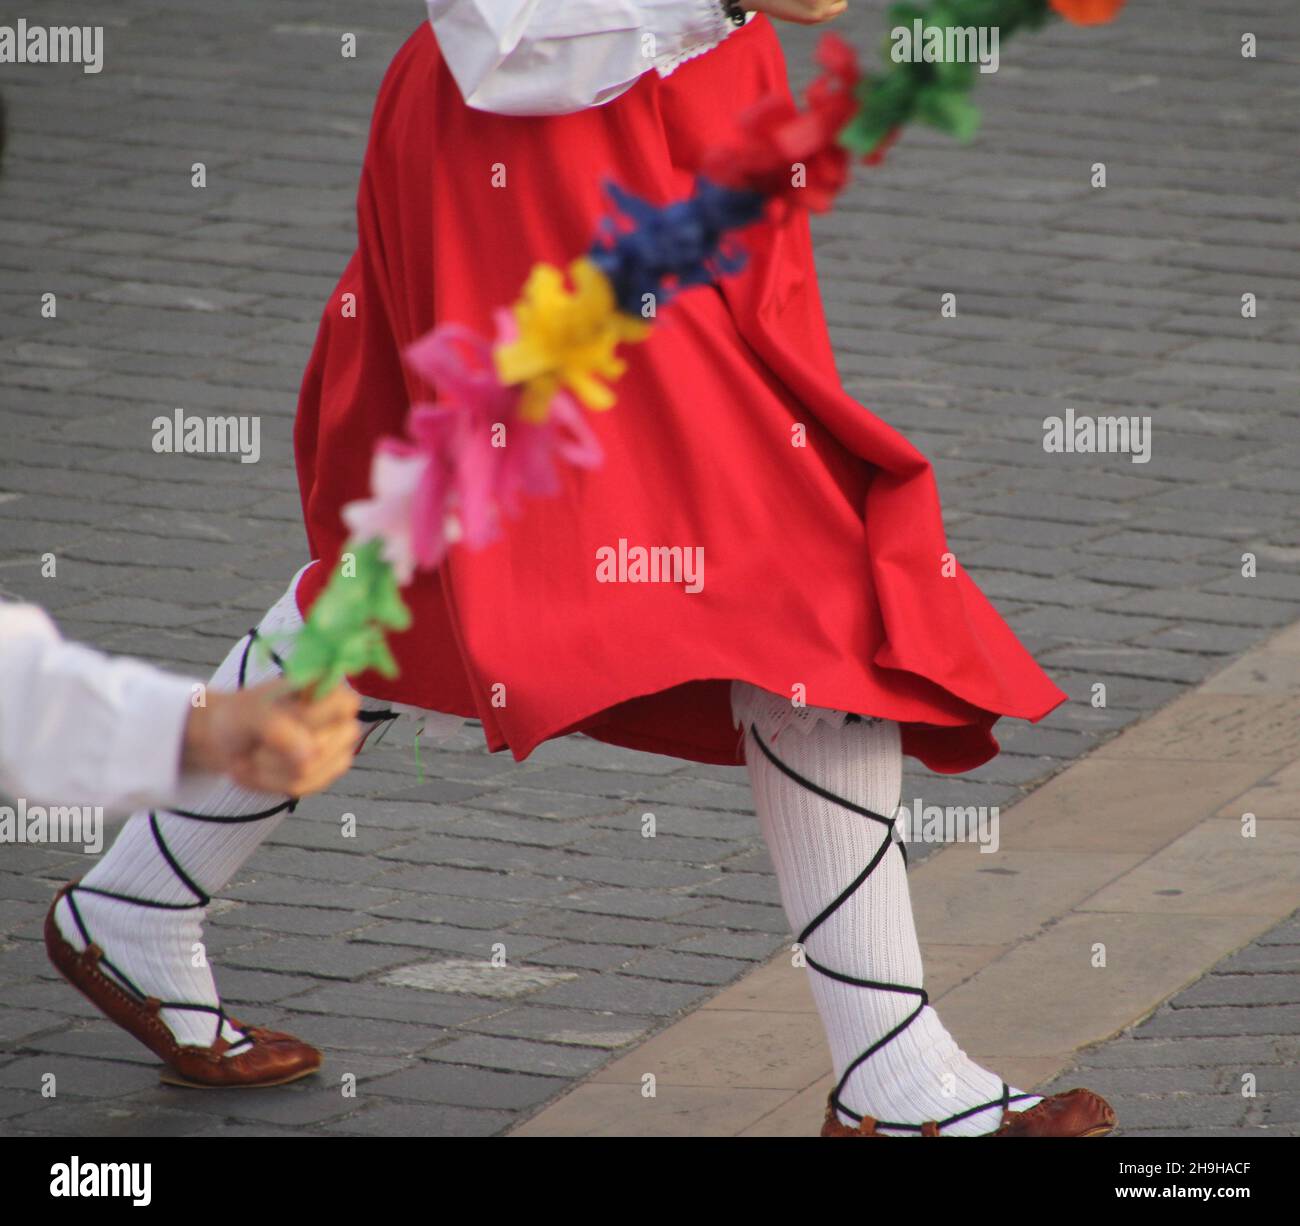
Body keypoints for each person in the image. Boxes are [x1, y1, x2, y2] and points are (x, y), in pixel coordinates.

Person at [44, 0, 1116, 1133]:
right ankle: (892, 1075)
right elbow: (495, 24)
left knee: (426, 574)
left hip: (688, 118)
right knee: (805, 580)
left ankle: (137, 897)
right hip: (535, 143)